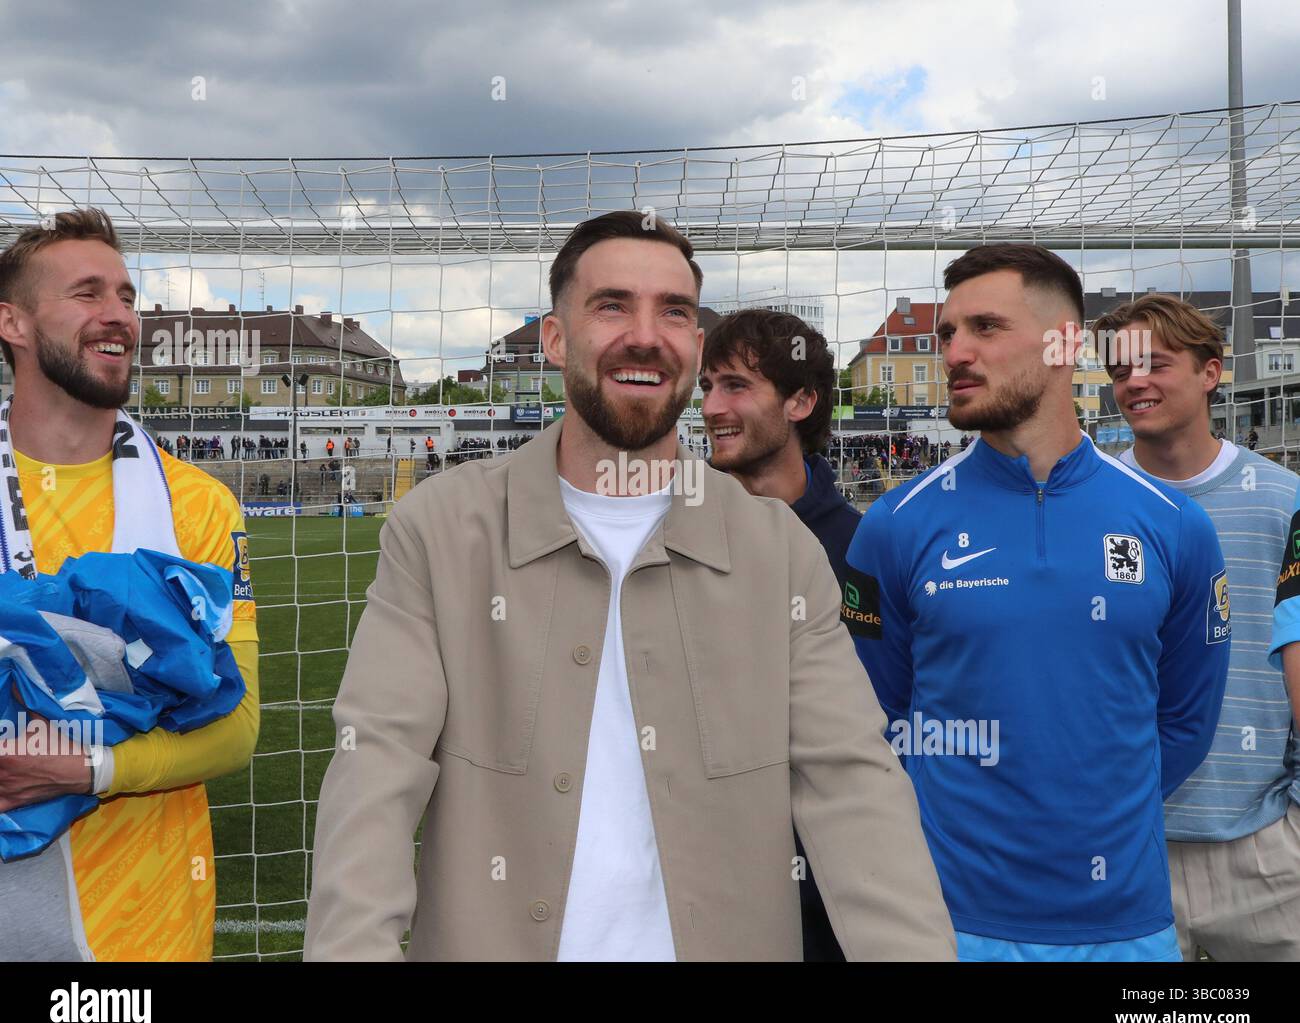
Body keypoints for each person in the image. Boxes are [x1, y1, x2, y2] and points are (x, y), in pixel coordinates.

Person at [304, 210, 954, 962]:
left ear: (693, 346)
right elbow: (373, 781)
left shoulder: (780, 555)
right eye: (612, 304)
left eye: (673, 312)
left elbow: (855, 792)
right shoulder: (439, 533)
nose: (645, 335)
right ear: (554, 338)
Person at [846, 244, 1229, 962]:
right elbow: (879, 724)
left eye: (985, 328)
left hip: (1126, 928)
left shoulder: (1176, 527)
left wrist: (1090, 812)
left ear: (1066, 343)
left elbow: (1183, 726)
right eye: (947, 335)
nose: (956, 352)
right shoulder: (895, 526)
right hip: (944, 923)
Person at [0, 208, 259, 960]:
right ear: (12, 323)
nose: (118, 316)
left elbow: (238, 727)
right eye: (87, 294)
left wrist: (91, 766)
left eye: (126, 296)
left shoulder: (199, 505)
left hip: (148, 936)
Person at [1101, 292, 1300, 961]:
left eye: (1153, 364)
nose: (1133, 382)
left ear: (1210, 372)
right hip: (1126, 847)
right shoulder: (1087, 503)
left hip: (1267, 846)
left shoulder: (1285, 500)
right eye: (1120, 371)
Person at [700, 307, 861, 961]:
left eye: (735, 385)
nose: (712, 407)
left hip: (828, 900)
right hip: (697, 888)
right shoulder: (667, 538)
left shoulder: (862, 550)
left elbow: (880, 723)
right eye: (706, 386)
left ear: (800, 400)